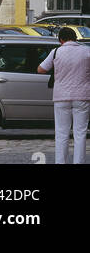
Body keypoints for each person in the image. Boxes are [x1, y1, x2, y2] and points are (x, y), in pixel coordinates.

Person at [38, 26, 90, 164]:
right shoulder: (87, 51)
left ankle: (61, 162)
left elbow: (41, 69)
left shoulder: (56, 52)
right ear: (75, 38)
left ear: (60, 40)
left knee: (61, 133)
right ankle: (79, 162)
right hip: (82, 96)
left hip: (61, 97)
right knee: (80, 133)